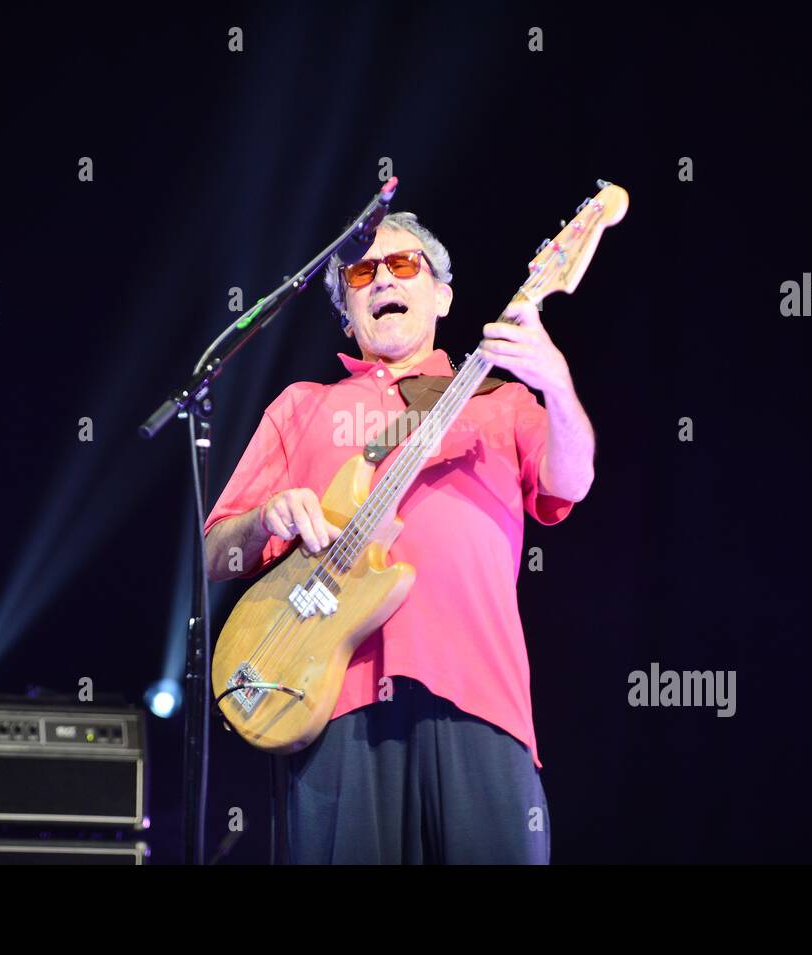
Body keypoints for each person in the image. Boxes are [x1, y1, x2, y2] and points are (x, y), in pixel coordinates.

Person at [203, 211, 595, 863]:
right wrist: (268, 513)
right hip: (332, 702)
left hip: (479, 695)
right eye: (362, 271)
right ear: (346, 311)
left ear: (441, 294)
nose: (382, 276)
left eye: (404, 264)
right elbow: (217, 550)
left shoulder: (499, 401)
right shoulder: (302, 406)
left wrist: (555, 381)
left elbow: (573, 478)